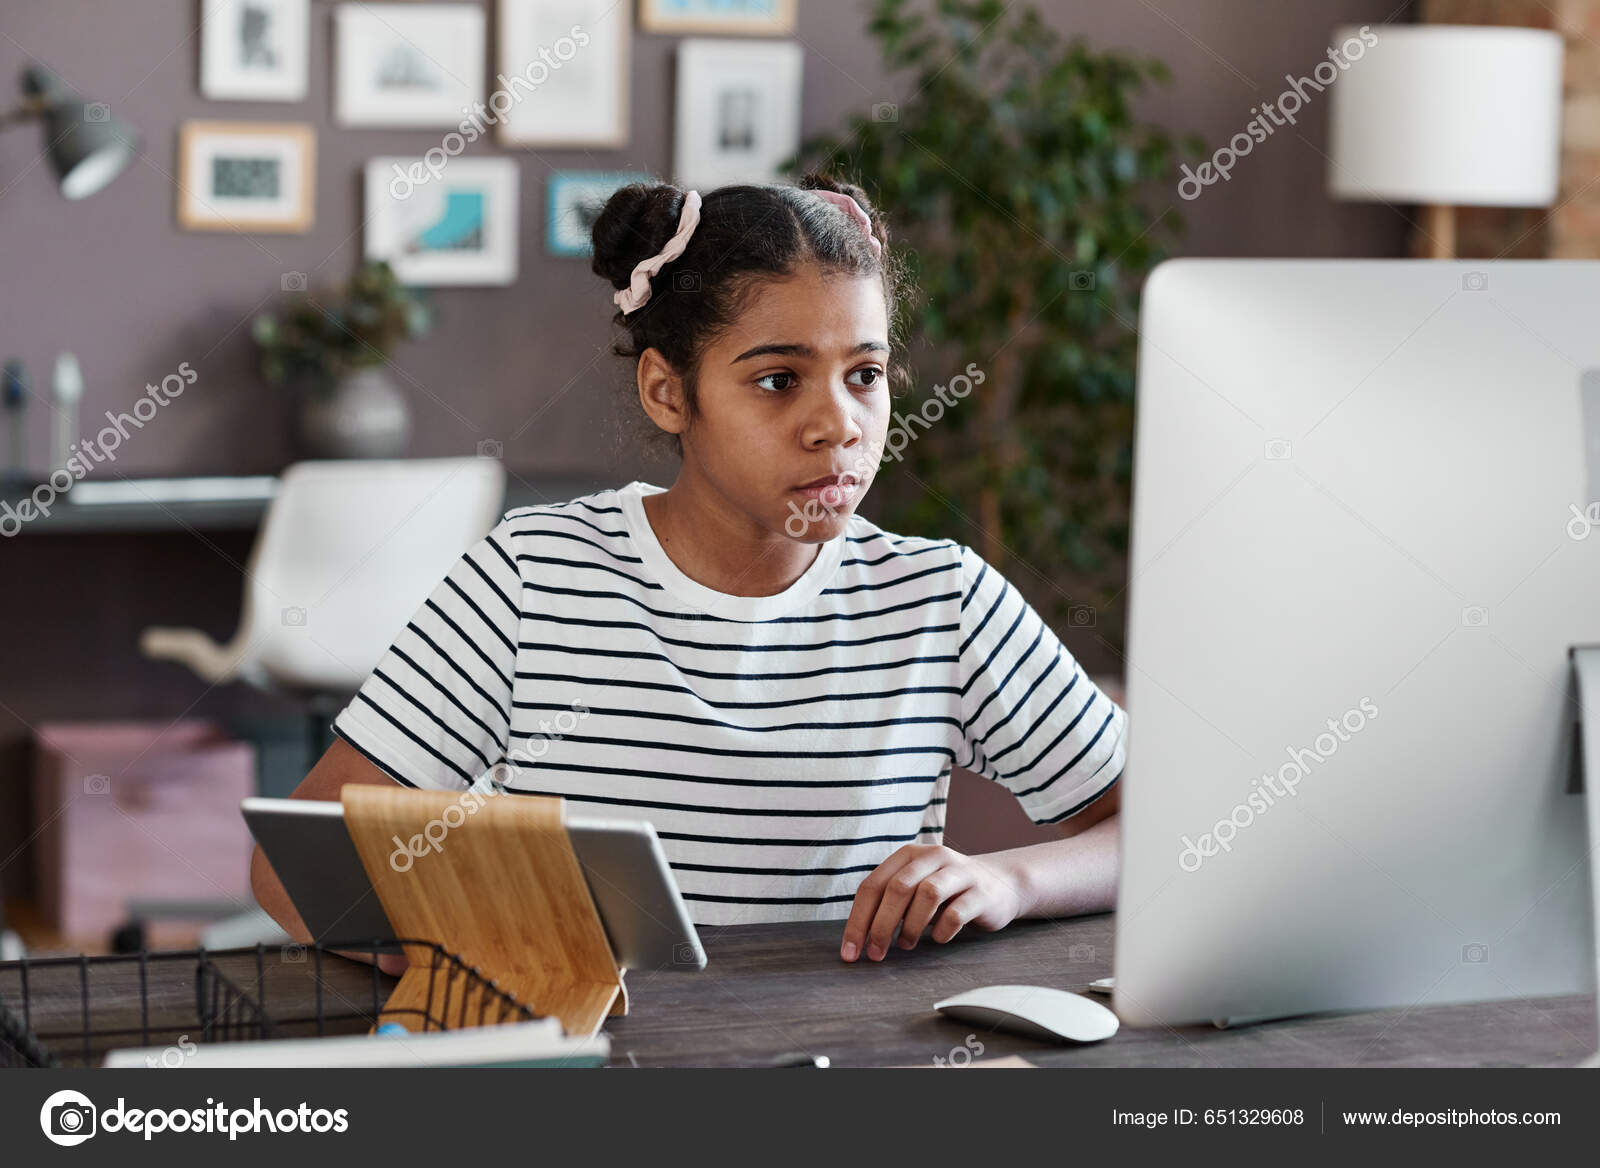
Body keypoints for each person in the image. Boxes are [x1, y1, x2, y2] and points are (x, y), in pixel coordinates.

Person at [250, 174, 1126, 971]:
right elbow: (296, 866)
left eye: (865, 374)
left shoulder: (942, 600)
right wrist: (489, 951)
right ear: (668, 392)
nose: (840, 424)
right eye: (780, 380)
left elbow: (1165, 834)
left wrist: (1011, 882)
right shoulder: (533, 575)